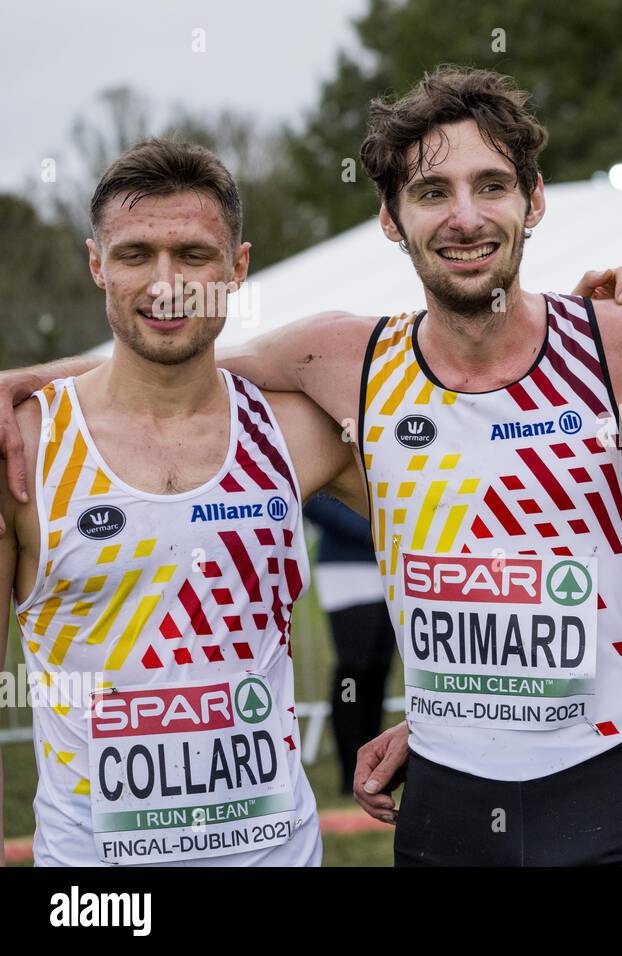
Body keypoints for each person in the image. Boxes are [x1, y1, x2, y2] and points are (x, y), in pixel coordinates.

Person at [0, 67, 622, 867]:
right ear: (389, 217)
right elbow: (176, 347)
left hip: (613, 790)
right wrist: (25, 384)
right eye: (431, 189)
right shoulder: (340, 356)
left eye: (492, 184)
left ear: (534, 200)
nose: (464, 213)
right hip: (446, 808)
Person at [0, 138, 366, 865]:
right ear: (98, 264)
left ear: (237, 268)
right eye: (135, 255)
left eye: (194, 256)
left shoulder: (296, 433)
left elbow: (470, 506)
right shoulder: (26, 451)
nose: (166, 283)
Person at [303, 495, 394, 794]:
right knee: (354, 668)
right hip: (346, 567)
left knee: (379, 669)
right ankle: (350, 769)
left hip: (387, 566)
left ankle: (376, 766)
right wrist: (374, 530)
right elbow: (315, 502)